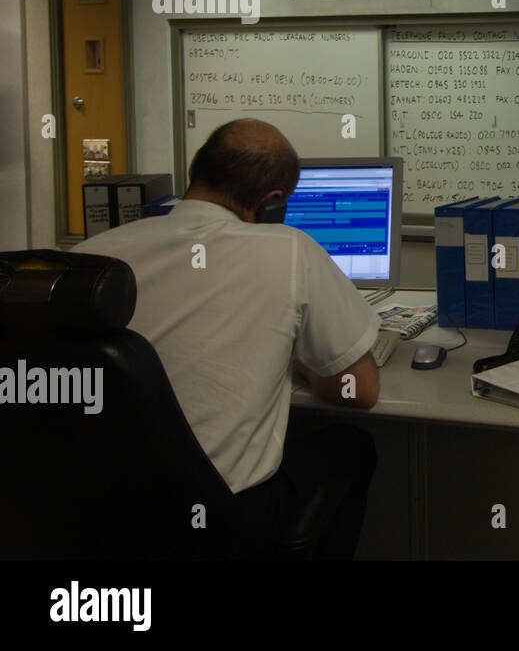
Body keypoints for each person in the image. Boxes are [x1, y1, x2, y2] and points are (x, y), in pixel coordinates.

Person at [74, 118, 381, 559]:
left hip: (97, 516)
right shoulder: (289, 250)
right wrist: (297, 358)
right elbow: (360, 391)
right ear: (273, 202)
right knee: (351, 445)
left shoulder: (90, 256)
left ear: (194, 173)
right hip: (218, 520)